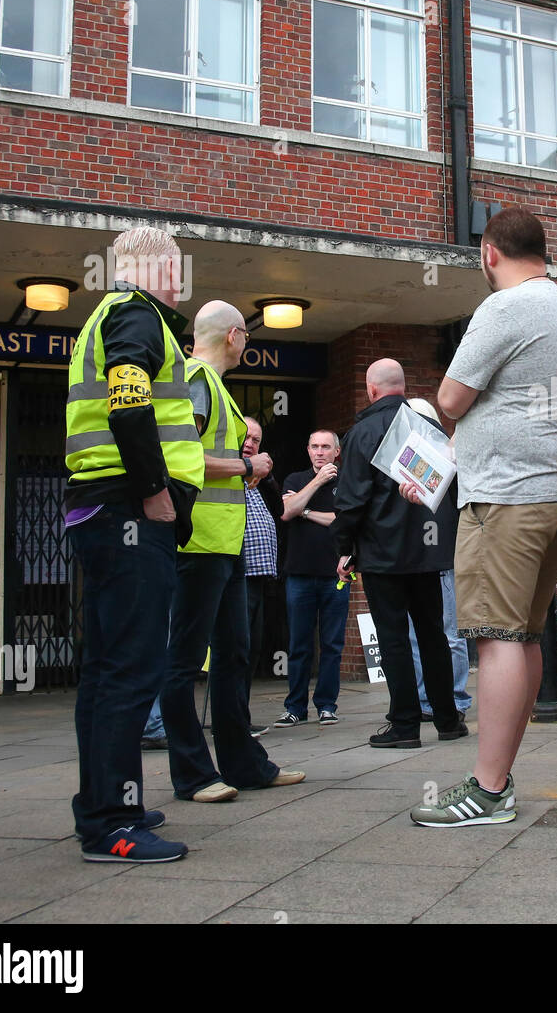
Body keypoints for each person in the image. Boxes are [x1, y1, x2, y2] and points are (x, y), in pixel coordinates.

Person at [404, 207, 557, 827]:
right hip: (548, 494)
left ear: (489, 253)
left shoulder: (505, 307)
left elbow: (451, 398)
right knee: (522, 635)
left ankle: (487, 790)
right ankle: (497, 780)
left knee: (494, 638)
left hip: (505, 499)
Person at [64, 226, 202, 862]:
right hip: (127, 512)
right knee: (131, 668)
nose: (181, 279)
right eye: (177, 266)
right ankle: (112, 825)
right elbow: (127, 405)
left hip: (96, 509)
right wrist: (154, 491)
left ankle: (101, 803)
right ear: (161, 268)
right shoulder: (136, 316)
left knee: (103, 669)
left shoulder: (106, 317)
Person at [159, 301, 304, 801]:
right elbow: (181, 454)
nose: (248, 343)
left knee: (234, 657)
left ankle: (245, 766)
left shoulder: (212, 385)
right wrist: (247, 468)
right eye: (247, 335)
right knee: (184, 660)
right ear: (235, 336)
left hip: (224, 544)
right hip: (199, 542)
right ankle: (193, 775)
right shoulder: (197, 378)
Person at [333, 359, 464, 749]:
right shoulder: (429, 429)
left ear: (372, 390)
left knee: (393, 639)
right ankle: (447, 719)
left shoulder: (361, 433)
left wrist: (345, 548)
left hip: (382, 555)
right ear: (402, 388)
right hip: (427, 554)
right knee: (433, 636)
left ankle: (405, 724)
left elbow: (351, 500)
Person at [272, 429, 350, 727]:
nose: (319, 452)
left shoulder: (346, 481)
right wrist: (317, 482)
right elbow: (284, 512)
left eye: (325, 447)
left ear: (336, 452)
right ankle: (294, 707)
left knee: (332, 644)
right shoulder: (294, 479)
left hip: (335, 575)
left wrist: (304, 510)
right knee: (299, 644)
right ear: (308, 450)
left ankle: (327, 705)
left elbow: (343, 519)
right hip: (299, 575)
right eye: (314, 446)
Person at [404, 399, 470, 722]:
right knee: (425, 633)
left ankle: (453, 698)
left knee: (448, 632)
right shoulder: (416, 458)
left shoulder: (447, 455)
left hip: (441, 554)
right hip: (423, 556)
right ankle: (430, 698)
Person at [240, 415, 284, 736]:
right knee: (236, 648)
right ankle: (232, 719)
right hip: (235, 574)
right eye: (245, 436)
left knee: (253, 648)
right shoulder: (226, 471)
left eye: (255, 439)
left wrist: (265, 474)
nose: (249, 443)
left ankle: (240, 715)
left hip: (259, 574)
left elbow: (279, 510)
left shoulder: (257, 478)